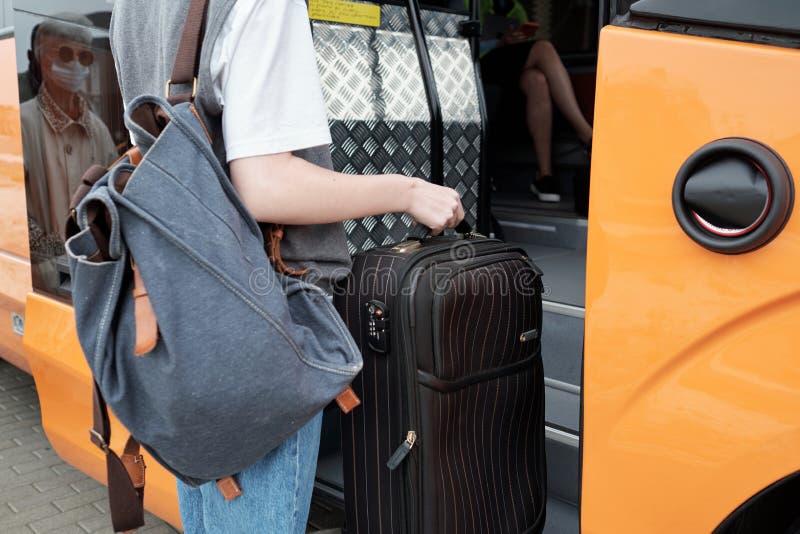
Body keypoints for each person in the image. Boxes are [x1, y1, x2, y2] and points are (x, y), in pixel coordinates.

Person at [109, 0, 464, 532]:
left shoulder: (130, 7)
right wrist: (408, 190)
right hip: (259, 323)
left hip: (181, 307)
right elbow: (264, 185)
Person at [20, 15, 118, 292]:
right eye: (64, 53)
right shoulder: (20, 122)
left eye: (84, 57)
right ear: (42, 60)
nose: (75, 64)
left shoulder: (99, 130)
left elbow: (115, 200)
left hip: (95, 278)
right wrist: (50, 252)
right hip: (39, 284)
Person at [479, 0, 593, 202]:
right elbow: (456, 39)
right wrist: (498, 42)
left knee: (537, 80)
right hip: (477, 62)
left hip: (506, 67)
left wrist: (517, 41)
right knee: (544, 48)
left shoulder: (516, 8)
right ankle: (586, 134)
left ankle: (545, 176)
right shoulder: (470, 3)